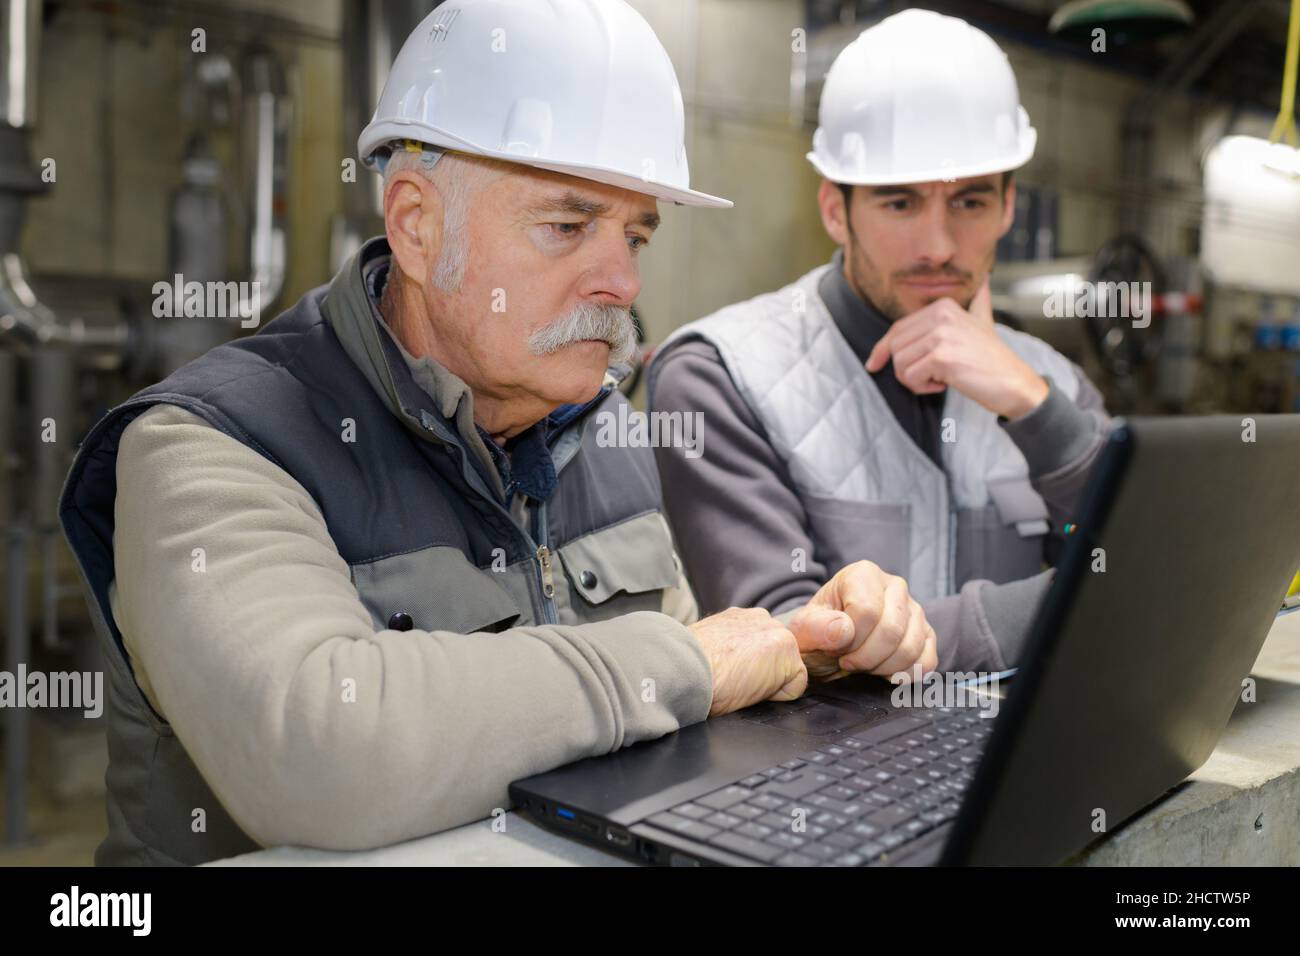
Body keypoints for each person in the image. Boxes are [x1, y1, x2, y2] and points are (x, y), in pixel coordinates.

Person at [58, 0, 937, 866]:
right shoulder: (214, 444)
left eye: (636, 234)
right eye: (567, 225)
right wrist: (689, 663)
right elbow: (318, 752)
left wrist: (808, 655)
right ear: (415, 224)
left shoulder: (603, 431)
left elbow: (679, 703)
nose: (622, 281)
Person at [649, 9, 1110, 661]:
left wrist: (1033, 410)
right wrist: (1071, 611)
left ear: (1009, 206)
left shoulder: (1051, 382)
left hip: (1036, 758)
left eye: (970, 201)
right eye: (899, 202)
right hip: (825, 765)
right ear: (836, 210)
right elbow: (790, 650)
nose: (939, 246)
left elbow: (1132, 561)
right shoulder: (721, 378)